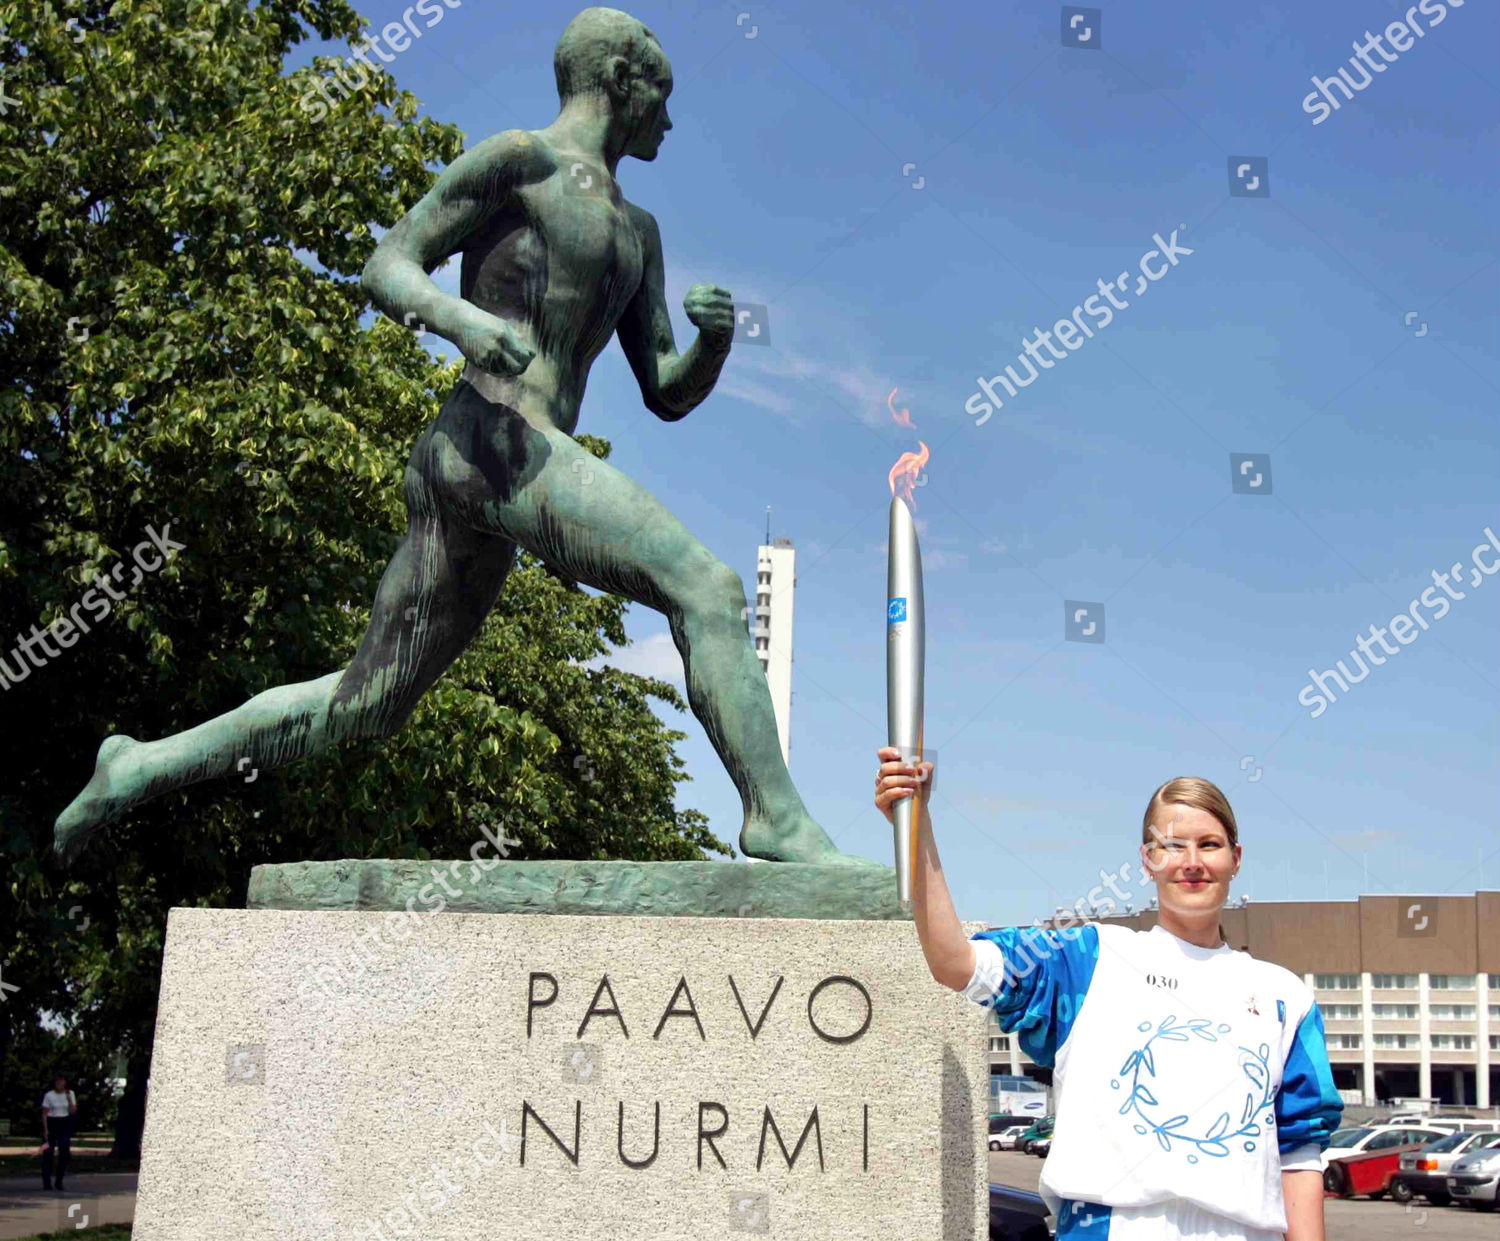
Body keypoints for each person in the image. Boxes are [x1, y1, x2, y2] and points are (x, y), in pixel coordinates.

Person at [53, 6, 874, 872]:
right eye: (661, 98)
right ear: (618, 81)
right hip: (490, 435)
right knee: (706, 589)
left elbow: (665, 391)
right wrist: (461, 321)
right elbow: (389, 261)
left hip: (511, 456)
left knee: (365, 702)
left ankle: (139, 764)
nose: (669, 121)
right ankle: (775, 817)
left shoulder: (640, 233)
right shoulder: (519, 160)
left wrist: (713, 343)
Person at [875, 750, 1341, 1241]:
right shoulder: (1089, 959)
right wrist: (916, 824)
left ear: (1235, 859)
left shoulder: (1284, 996)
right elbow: (956, 963)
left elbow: (1299, 1154)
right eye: (1172, 845)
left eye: (1210, 845)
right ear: (1148, 860)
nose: (1192, 863)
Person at [40, 1072, 78, 1192]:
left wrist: (69, 1099)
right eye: (57, 1081)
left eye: (61, 1081)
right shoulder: (49, 1095)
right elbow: (44, 1114)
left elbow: (73, 1111)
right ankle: (47, 1182)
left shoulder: (70, 1093)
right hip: (52, 1123)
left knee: (64, 1153)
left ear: (65, 1082)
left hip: (64, 1123)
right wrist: (45, 1129)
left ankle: (59, 1181)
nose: (59, 1084)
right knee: (48, 1154)